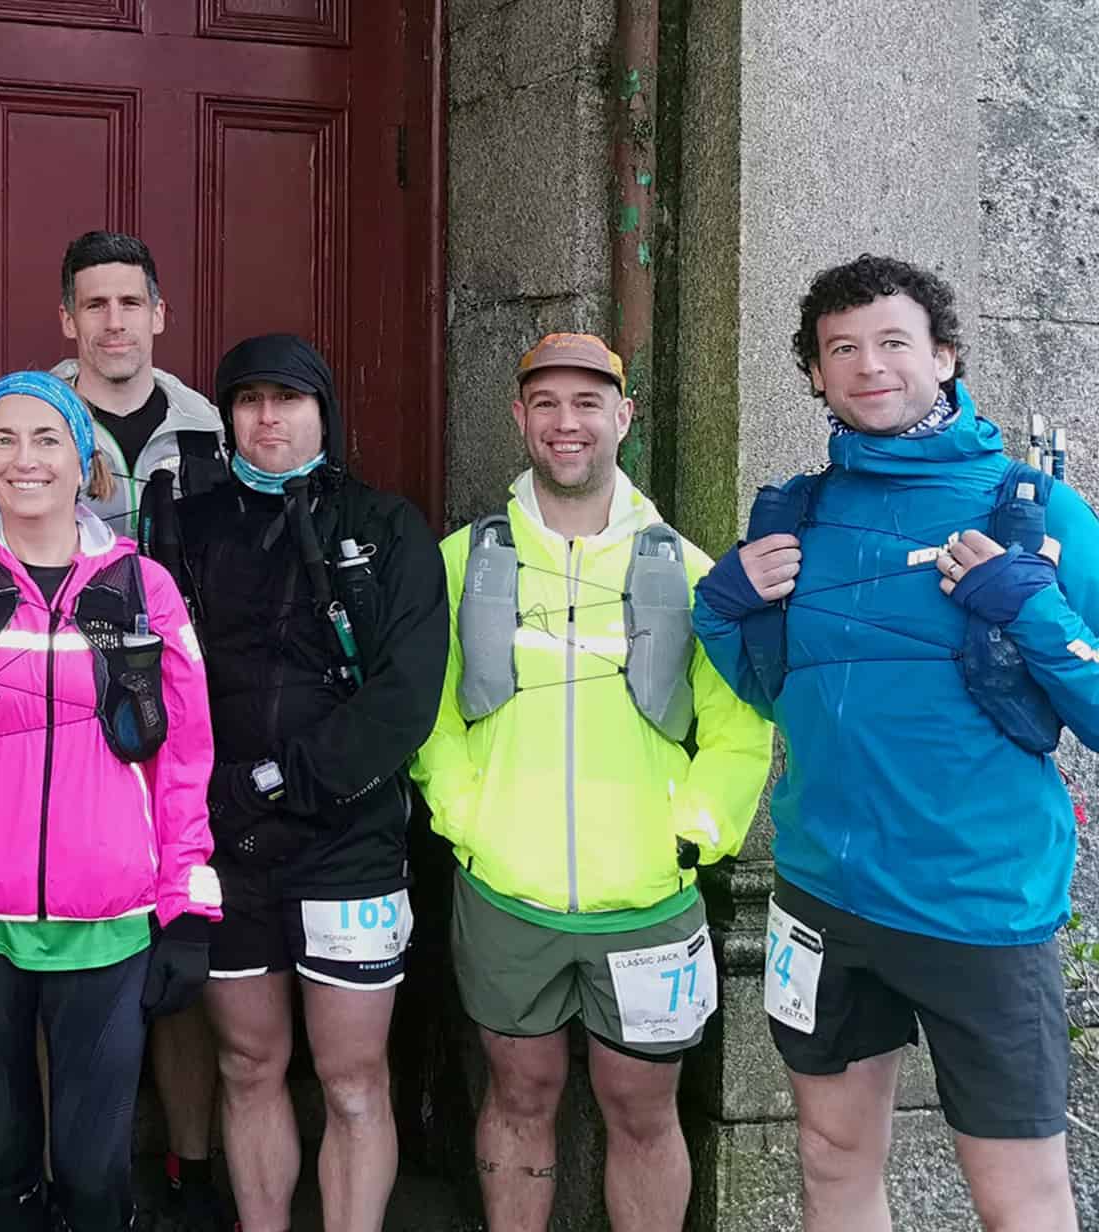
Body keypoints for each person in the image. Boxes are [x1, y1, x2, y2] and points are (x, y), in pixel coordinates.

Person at [694, 256, 1099, 1232]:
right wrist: (720, 611)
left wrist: (1031, 612)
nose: (867, 365)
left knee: (1019, 1194)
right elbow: (772, 693)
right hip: (821, 897)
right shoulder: (797, 512)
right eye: (840, 348)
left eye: (890, 341)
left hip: (975, 907)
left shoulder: (1038, 514)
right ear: (813, 373)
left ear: (943, 354)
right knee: (830, 1157)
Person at [411, 333, 772, 1232]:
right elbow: (428, 715)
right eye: (545, 404)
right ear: (518, 417)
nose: (565, 424)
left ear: (624, 416)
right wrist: (467, 819)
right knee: (519, 1091)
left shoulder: (687, 571)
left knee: (644, 1110)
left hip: (647, 901)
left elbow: (739, 727)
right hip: (507, 895)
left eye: (586, 404)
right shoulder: (460, 563)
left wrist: (694, 830)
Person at [0, 371, 224, 1232]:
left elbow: (184, 758)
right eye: (6, 441)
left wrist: (187, 905)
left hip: (110, 919)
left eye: (47, 438)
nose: (27, 460)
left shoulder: (143, 590)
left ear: (82, 457)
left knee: (95, 1173)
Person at [0, 232, 232, 1221]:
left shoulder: (209, 429)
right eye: (93, 304)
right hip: (47, 754)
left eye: (130, 302)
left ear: (158, 313)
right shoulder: (27, 421)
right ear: (66, 318)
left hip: (177, 714)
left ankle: (187, 1167)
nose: (113, 321)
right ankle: (37, 1177)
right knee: (54, 968)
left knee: (170, 967)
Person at [170, 334, 450, 1232]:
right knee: (247, 1067)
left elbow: (407, 696)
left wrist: (283, 783)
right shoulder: (192, 525)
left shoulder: (389, 525)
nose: (267, 417)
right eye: (248, 399)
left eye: (287, 399)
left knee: (353, 1079)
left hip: (348, 841)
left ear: (324, 411)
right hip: (225, 846)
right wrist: (217, 800)